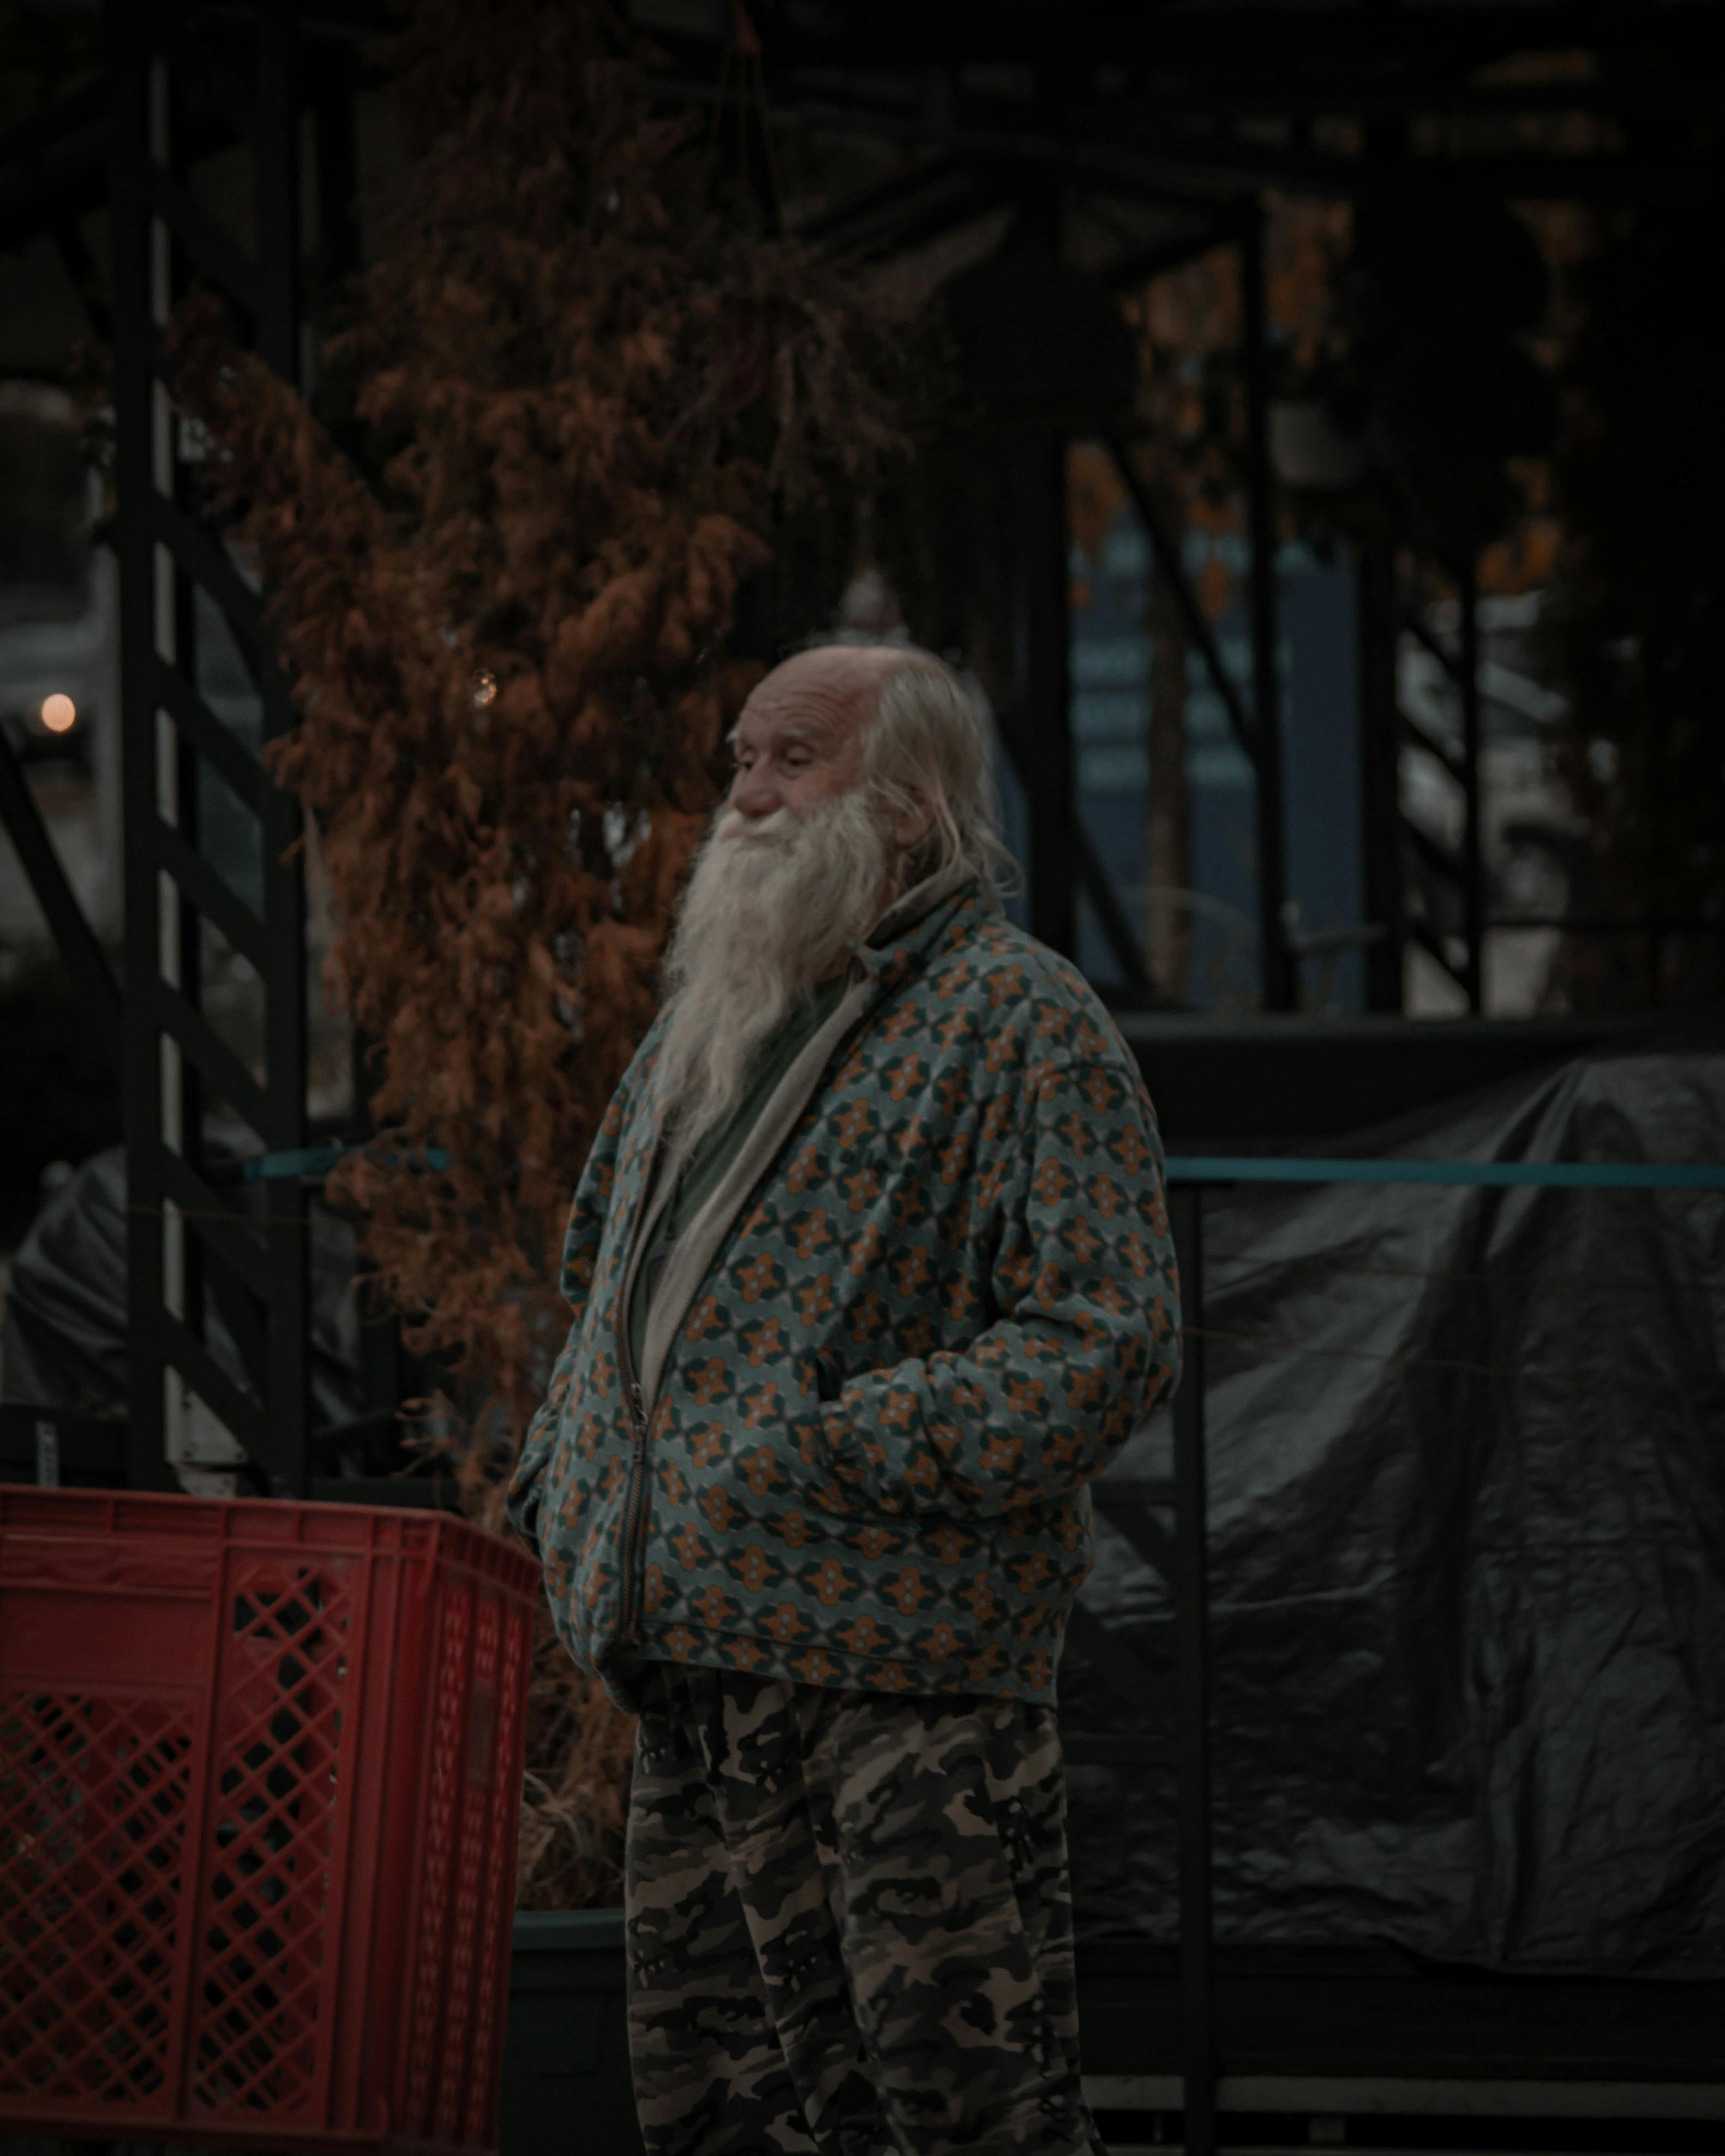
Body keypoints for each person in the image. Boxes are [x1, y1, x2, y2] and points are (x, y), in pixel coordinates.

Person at [507, 639, 1181, 2156]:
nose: (745, 797)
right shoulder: (709, 1022)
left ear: (904, 803)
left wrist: (831, 1453)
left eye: (791, 759)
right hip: (689, 1672)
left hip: (899, 1684)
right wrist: (569, 1484)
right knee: (720, 2112)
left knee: (954, 2111)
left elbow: (1107, 1338)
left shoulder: (1022, 1021)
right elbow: (597, 1289)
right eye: (740, 758)